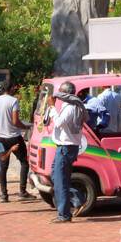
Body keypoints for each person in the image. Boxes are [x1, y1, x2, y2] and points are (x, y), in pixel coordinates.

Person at [0, 81, 34, 203]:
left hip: (1, 138)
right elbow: (15, 121)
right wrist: (25, 127)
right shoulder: (13, 101)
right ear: (10, 89)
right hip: (14, 137)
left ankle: (4, 195)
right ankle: (22, 191)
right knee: (24, 162)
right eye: (14, 88)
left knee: (3, 166)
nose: (15, 89)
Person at [49, 81, 86, 223]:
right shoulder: (70, 106)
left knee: (61, 181)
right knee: (56, 177)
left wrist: (52, 107)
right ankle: (78, 198)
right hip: (64, 147)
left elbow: (59, 123)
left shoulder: (71, 108)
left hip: (66, 147)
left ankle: (64, 214)